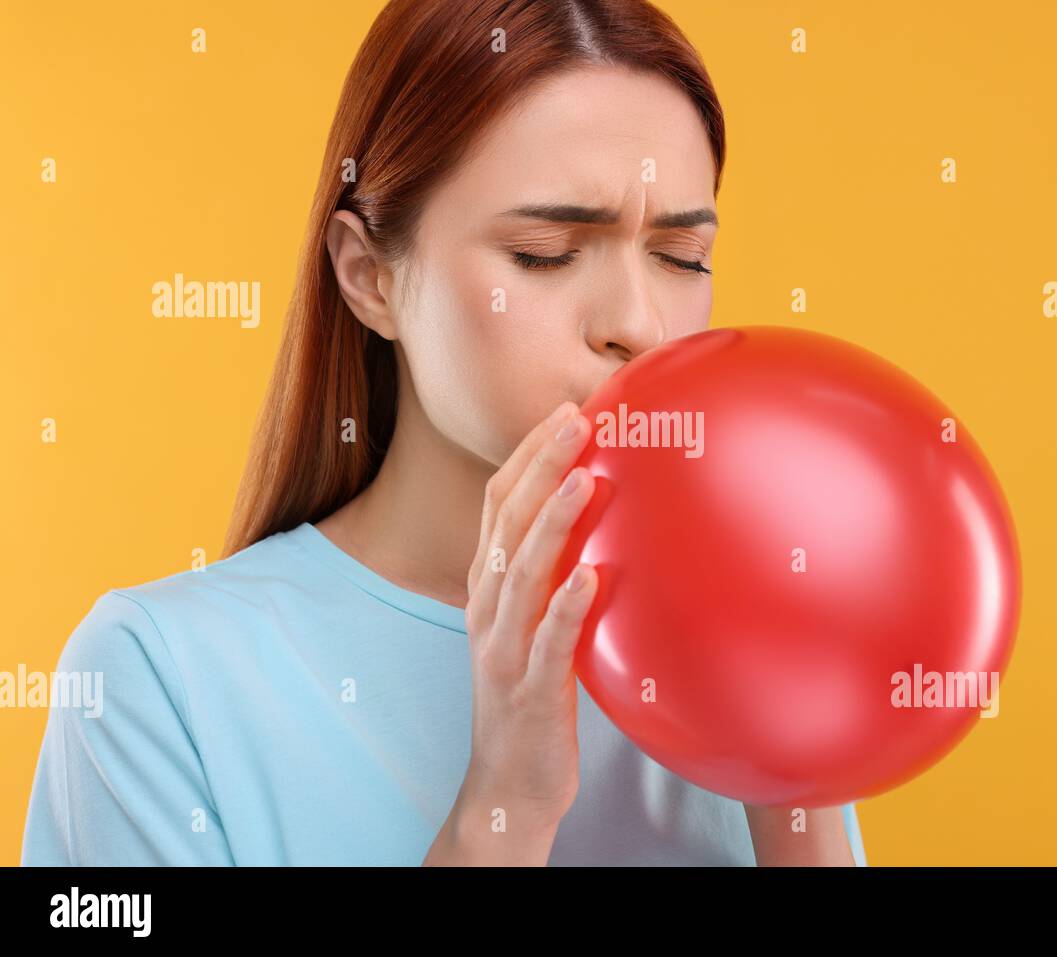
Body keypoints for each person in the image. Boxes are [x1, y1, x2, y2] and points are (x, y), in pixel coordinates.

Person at [21, 0, 867, 866]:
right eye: (545, 251)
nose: (639, 324)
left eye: (682, 258)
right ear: (369, 277)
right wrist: (504, 804)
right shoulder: (157, 681)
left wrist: (794, 786)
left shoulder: (741, 642)